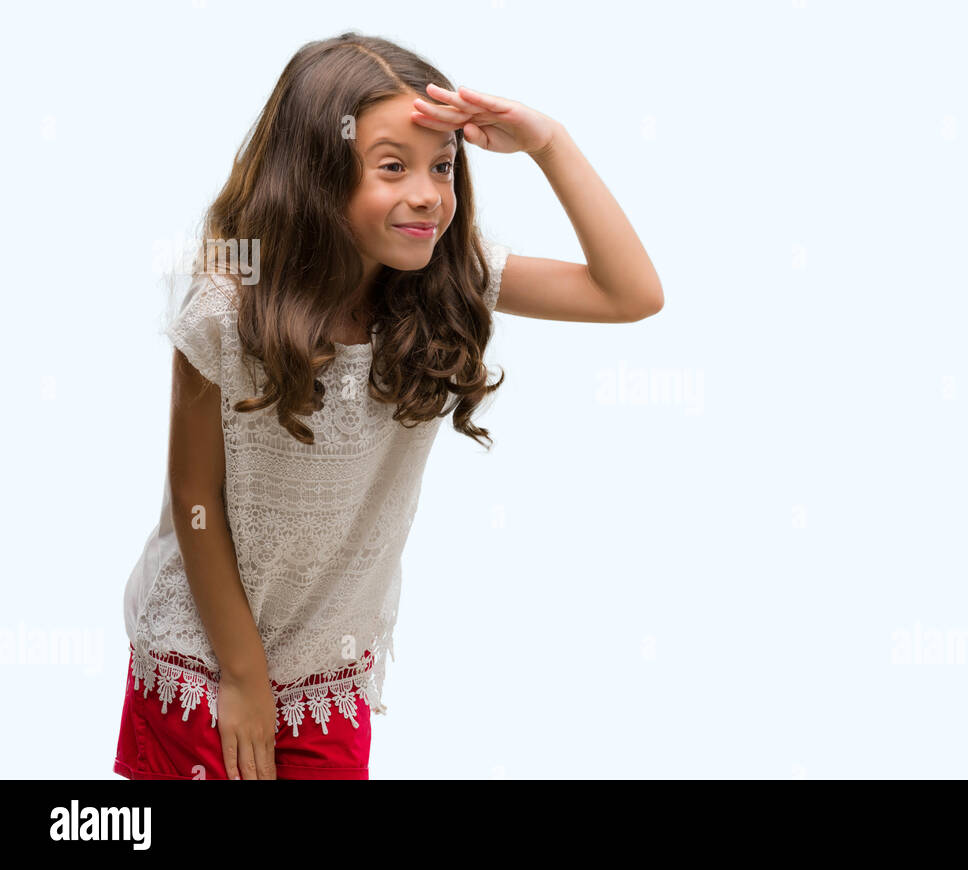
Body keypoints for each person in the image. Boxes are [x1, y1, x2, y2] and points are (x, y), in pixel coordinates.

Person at [113, 31, 663, 781]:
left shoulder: (448, 279)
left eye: (442, 167)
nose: (428, 194)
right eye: (393, 167)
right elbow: (193, 495)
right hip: (206, 662)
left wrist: (549, 143)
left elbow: (630, 293)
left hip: (327, 670)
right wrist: (242, 678)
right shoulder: (226, 306)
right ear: (316, 174)